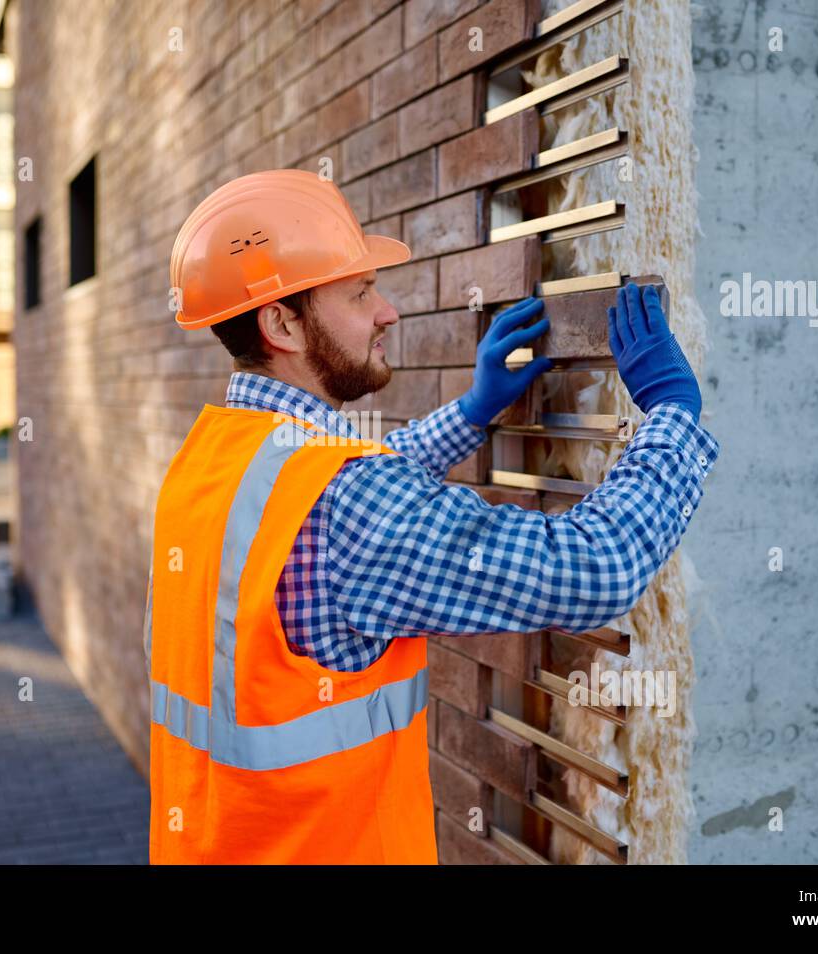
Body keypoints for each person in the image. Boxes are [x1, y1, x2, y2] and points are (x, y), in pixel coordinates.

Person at [146, 169, 719, 863]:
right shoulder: (346, 500)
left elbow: (353, 490)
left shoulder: (211, 461)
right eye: (360, 294)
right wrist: (672, 419)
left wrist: (474, 411)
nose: (387, 312)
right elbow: (596, 571)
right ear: (281, 324)